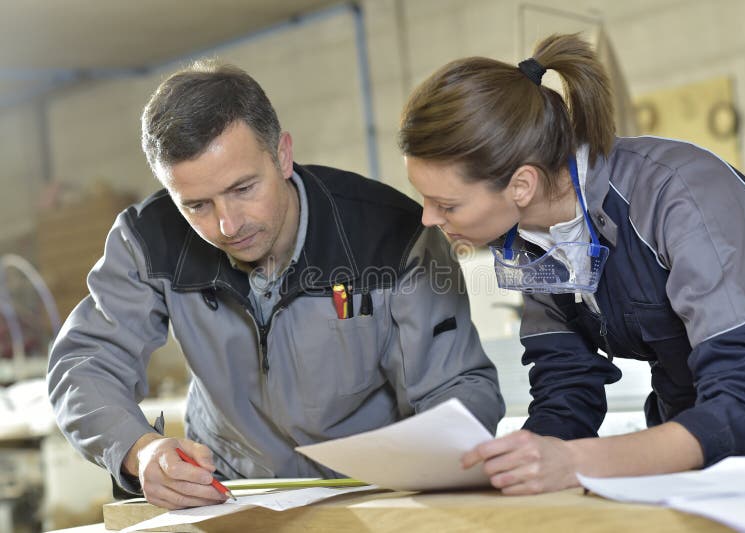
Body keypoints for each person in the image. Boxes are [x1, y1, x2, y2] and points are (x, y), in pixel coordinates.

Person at [47, 60, 504, 509]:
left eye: (244, 188)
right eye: (197, 206)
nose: (228, 224)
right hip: (227, 495)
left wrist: (432, 477)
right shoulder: (146, 238)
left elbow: (456, 387)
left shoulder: (394, 235)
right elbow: (84, 364)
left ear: (283, 154)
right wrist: (138, 449)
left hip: (370, 494)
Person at [399, 33, 745, 495]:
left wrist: (576, 461)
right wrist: (521, 465)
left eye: (446, 204)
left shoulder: (681, 198)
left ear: (522, 184)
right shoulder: (527, 241)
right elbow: (566, 384)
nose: (428, 218)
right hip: (695, 453)